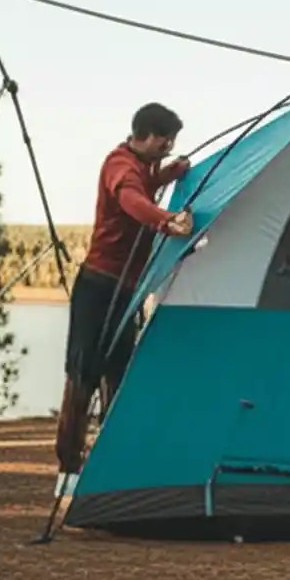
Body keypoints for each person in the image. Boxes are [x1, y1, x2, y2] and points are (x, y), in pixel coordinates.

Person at [55, 102, 193, 495]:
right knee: (83, 373)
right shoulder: (120, 165)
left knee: (118, 373)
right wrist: (167, 221)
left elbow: (144, 185)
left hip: (126, 290)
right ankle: (68, 469)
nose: (168, 147)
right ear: (145, 135)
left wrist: (169, 173)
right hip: (99, 284)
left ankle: (110, 464)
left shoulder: (144, 167)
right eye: (165, 141)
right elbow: (131, 199)